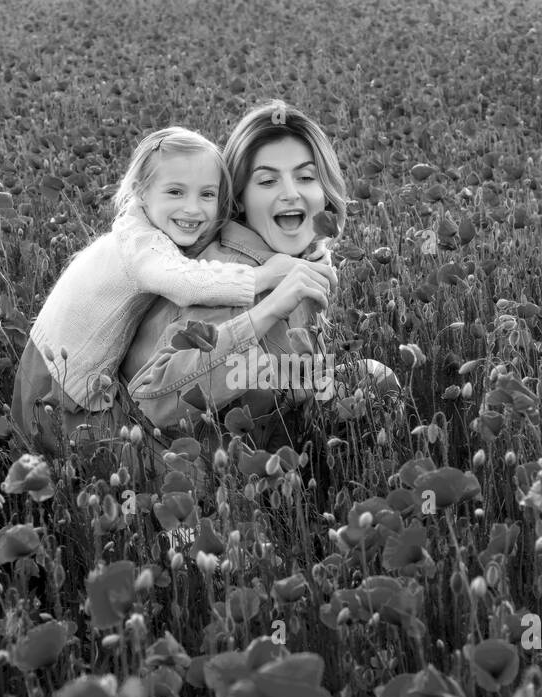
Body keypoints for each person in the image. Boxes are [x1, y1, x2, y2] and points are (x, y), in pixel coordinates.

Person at [11, 126, 320, 457]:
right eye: (175, 192)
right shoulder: (147, 249)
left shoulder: (147, 230)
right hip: (56, 393)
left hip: (57, 373)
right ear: (142, 192)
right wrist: (264, 279)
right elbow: (188, 286)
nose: (192, 209)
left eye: (207, 195)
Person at [127, 100, 399, 458]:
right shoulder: (227, 279)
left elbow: (272, 378)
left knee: (368, 378)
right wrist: (267, 313)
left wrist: (315, 379)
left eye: (305, 177)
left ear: (325, 192)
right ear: (238, 198)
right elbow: (151, 399)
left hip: (263, 470)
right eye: (268, 180)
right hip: (192, 480)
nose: (290, 192)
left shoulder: (288, 264)